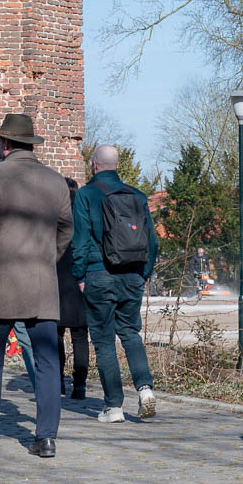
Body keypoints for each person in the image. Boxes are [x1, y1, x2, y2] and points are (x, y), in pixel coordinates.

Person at [0, 112, 72, 457]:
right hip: (41, 282)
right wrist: (47, 258)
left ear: (5, 143)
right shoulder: (55, 181)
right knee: (47, 362)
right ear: (30, 143)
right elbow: (67, 229)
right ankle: (46, 437)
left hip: (2, 279)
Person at [72, 146, 160, 422]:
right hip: (132, 275)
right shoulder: (137, 196)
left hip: (99, 275)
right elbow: (152, 242)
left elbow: (80, 240)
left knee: (104, 341)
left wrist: (80, 276)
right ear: (117, 165)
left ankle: (113, 407)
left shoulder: (86, 195)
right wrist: (143, 274)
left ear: (94, 165)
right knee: (131, 334)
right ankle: (145, 389)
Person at [57, 177, 93, 402]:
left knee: (55, 336)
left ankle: (58, 382)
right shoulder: (84, 217)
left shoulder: (54, 219)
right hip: (81, 281)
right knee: (80, 337)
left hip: (57, 282)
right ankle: (79, 385)